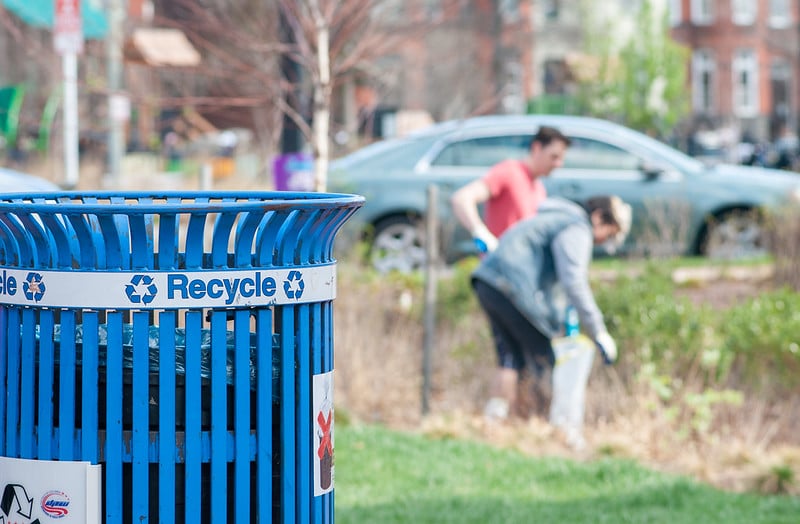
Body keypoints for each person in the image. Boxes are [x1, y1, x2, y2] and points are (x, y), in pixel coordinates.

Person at [470, 195, 632, 441]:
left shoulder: (554, 217)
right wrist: (598, 330)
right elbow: (573, 281)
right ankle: (540, 432)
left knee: (511, 359)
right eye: (609, 234)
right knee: (544, 360)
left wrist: (558, 319)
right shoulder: (577, 228)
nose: (604, 242)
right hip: (511, 286)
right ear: (599, 217)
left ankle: (494, 427)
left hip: (488, 281)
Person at [450, 126, 571, 253]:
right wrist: (480, 232)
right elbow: (462, 199)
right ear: (537, 148)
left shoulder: (539, 188)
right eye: (554, 157)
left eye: (561, 159)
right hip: (499, 261)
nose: (558, 164)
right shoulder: (509, 171)